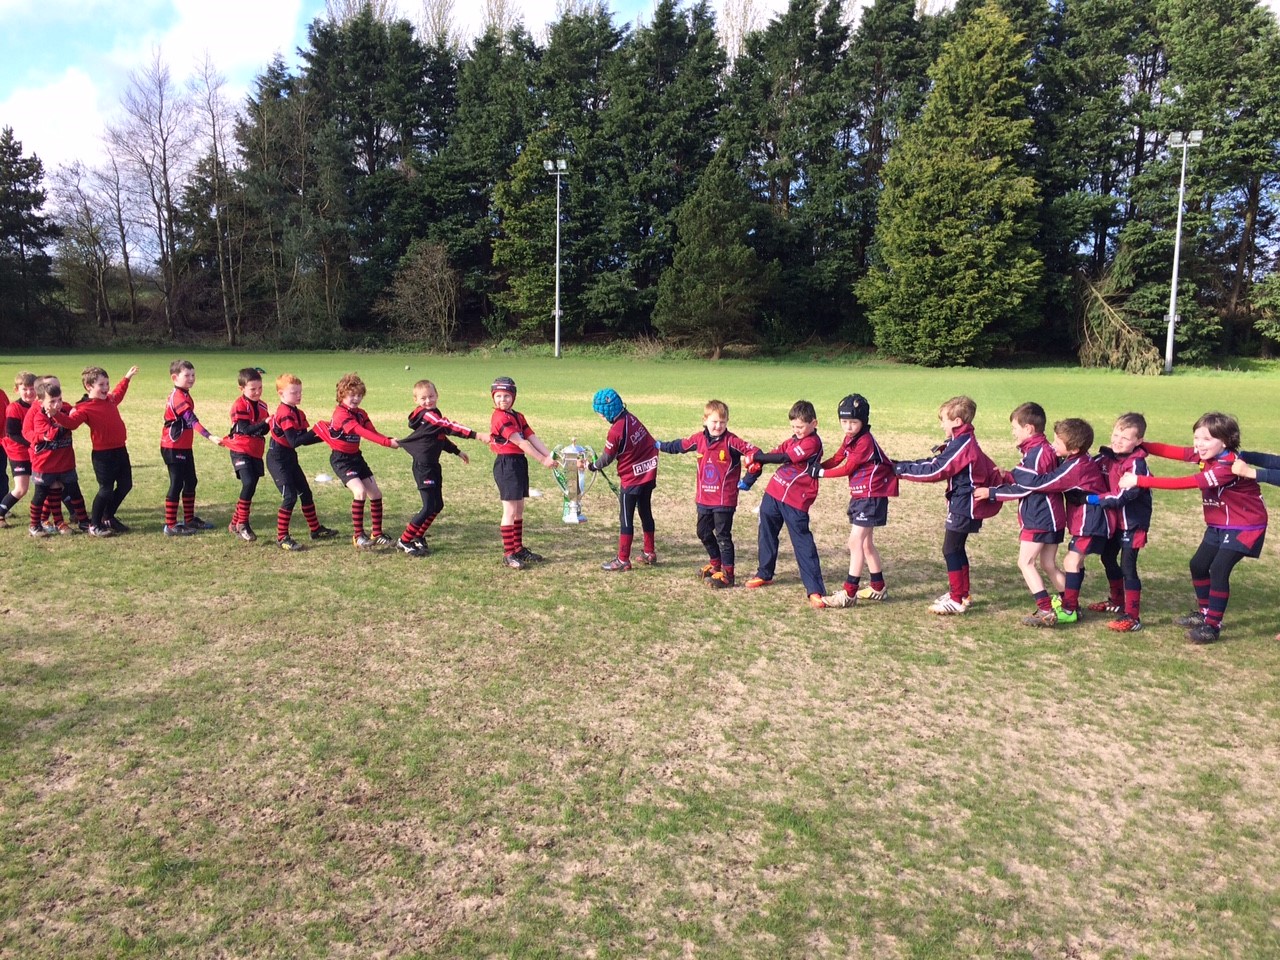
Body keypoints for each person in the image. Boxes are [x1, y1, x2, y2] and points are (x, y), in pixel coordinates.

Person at [1120, 412, 1267, 644]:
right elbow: (1173, 451)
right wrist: (1138, 442)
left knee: (1219, 569)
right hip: (1219, 525)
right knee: (1198, 565)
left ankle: (1212, 626)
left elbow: (1185, 483)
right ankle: (1205, 613)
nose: (1199, 444)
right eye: (1196, 437)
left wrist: (1139, 480)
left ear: (1225, 441)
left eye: (1207, 439)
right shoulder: (1203, 455)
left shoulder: (1227, 466)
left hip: (1245, 526)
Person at [976, 418, 1109, 628]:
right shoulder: (1072, 460)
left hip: (1078, 520)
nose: (1053, 445)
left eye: (1058, 443)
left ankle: (1049, 609)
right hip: (1063, 518)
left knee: (1028, 562)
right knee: (1049, 564)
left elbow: (1042, 483)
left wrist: (995, 490)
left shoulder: (1075, 465)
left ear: (1073, 449)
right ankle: (1071, 606)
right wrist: (1012, 476)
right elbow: (1041, 480)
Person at [893, 395, 1003, 614]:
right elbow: (935, 462)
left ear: (957, 421)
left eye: (943, 419)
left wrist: (900, 471)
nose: (941, 424)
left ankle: (955, 598)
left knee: (950, 549)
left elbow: (936, 471)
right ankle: (962, 593)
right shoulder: (960, 441)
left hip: (965, 504)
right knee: (957, 548)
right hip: (962, 501)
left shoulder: (963, 444)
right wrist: (902, 465)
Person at [655, 399, 759, 588]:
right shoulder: (698, 439)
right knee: (702, 532)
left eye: (722, 422)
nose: (718, 426)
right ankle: (715, 565)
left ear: (727, 422)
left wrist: (748, 479)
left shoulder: (732, 442)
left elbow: (756, 455)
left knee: (723, 536)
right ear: (705, 421)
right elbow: (680, 445)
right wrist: (659, 445)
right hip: (704, 498)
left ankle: (728, 574)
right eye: (714, 422)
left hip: (724, 500)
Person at [811, 393, 898, 608]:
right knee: (866, 544)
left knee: (855, 542)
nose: (848, 427)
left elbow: (848, 467)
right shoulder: (851, 438)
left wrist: (821, 474)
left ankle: (849, 593)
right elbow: (839, 457)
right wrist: (819, 466)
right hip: (862, 495)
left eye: (853, 422)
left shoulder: (865, 442)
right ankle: (878, 587)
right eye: (844, 422)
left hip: (871, 496)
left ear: (864, 422)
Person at [742, 399, 827, 607]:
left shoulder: (812, 443)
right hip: (773, 493)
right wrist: (754, 462)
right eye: (793, 427)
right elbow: (775, 452)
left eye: (800, 427)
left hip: (796, 500)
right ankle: (765, 573)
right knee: (766, 533)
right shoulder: (793, 440)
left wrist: (757, 456)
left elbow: (782, 457)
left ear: (814, 423)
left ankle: (815, 589)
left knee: (802, 542)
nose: (796, 431)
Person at [394, 379, 489, 556]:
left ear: (437, 395)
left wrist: (456, 451)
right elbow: (447, 426)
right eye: (423, 398)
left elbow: (439, 437)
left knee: (438, 505)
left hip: (433, 465)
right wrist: (476, 435)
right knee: (428, 506)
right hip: (423, 466)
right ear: (416, 400)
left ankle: (419, 536)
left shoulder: (433, 413)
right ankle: (404, 540)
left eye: (431, 396)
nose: (428, 401)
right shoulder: (428, 415)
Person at [315, 373, 400, 549]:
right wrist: (386, 443)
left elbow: (372, 431)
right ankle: (358, 536)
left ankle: (376, 533)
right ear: (342, 395)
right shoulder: (340, 414)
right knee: (360, 492)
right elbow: (360, 431)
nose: (356, 398)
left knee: (375, 494)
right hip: (342, 460)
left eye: (359, 395)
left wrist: (390, 439)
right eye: (352, 394)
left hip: (356, 457)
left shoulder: (361, 413)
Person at [1086, 413, 1153, 632]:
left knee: (1128, 567)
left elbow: (1123, 496)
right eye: (1116, 435)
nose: (1117, 441)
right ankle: (1116, 601)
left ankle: (1133, 617)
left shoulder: (1137, 465)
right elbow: (1083, 466)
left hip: (1133, 524)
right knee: (1107, 557)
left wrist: (1093, 499)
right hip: (1113, 523)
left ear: (1138, 441)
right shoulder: (1106, 457)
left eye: (1125, 438)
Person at [59, 364, 139, 536]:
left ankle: (108, 516)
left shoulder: (109, 399)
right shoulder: (84, 407)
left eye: (107, 384)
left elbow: (118, 393)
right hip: (103, 455)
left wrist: (126, 378)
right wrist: (55, 414)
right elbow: (71, 423)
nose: (106, 388)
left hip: (120, 450)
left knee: (126, 485)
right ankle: (94, 525)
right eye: (101, 385)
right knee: (106, 489)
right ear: (89, 387)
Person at [585, 388, 660, 571]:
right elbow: (649, 442)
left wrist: (591, 466)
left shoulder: (616, 430)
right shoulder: (631, 418)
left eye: (601, 414)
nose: (601, 418)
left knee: (626, 518)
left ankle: (623, 559)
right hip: (648, 474)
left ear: (607, 411)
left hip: (632, 480)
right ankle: (649, 552)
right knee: (645, 512)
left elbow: (606, 458)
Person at [488, 376, 555, 569]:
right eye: (498, 396)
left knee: (519, 509)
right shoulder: (499, 417)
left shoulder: (518, 416)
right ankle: (509, 553)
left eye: (507, 396)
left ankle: (518, 548)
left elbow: (531, 436)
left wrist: (550, 455)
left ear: (513, 397)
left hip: (519, 463)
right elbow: (521, 442)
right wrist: (543, 460)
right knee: (509, 510)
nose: (502, 400)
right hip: (506, 465)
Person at [267, 374, 339, 551]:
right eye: (294, 392)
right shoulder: (284, 412)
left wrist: (326, 436)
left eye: (300, 392)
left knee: (305, 493)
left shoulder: (298, 413)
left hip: (289, 458)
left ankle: (315, 530)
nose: (298, 395)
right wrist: (318, 430)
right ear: (281, 394)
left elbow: (303, 440)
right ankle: (282, 537)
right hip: (278, 459)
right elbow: (293, 441)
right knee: (290, 497)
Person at [160, 359, 223, 536]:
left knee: (191, 481)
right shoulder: (179, 397)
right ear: (174, 377)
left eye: (193, 375)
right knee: (177, 483)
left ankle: (189, 519)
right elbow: (191, 420)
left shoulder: (184, 393)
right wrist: (210, 436)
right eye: (187, 375)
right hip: (173, 447)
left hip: (184, 447)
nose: (191, 378)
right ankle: (171, 525)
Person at [22, 377, 87, 537]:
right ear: (40, 401)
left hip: (65, 462)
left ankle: (83, 521)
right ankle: (35, 524)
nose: (57, 405)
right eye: (52, 401)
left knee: (72, 492)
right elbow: (53, 434)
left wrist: (77, 409)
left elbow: (74, 418)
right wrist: (66, 420)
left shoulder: (62, 410)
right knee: (41, 495)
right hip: (45, 464)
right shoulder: (38, 416)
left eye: (59, 400)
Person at [225, 368, 272, 542]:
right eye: (253, 389)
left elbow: (264, 430)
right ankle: (243, 523)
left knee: (251, 487)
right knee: (248, 482)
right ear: (242, 389)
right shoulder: (239, 405)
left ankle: (234, 523)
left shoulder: (263, 405)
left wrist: (270, 424)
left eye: (260, 388)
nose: (257, 392)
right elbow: (244, 429)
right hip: (240, 448)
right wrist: (264, 423)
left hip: (255, 450)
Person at [0, 371, 37, 527]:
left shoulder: (39, 405)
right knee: (21, 489)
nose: (29, 392)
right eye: (25, 389)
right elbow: (12, 433)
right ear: (17, 390)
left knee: (53, 482)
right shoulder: (14, 408)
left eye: (32, 388)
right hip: (19, 452)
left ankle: (76, 514)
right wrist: (32, 443)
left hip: (35, 451)